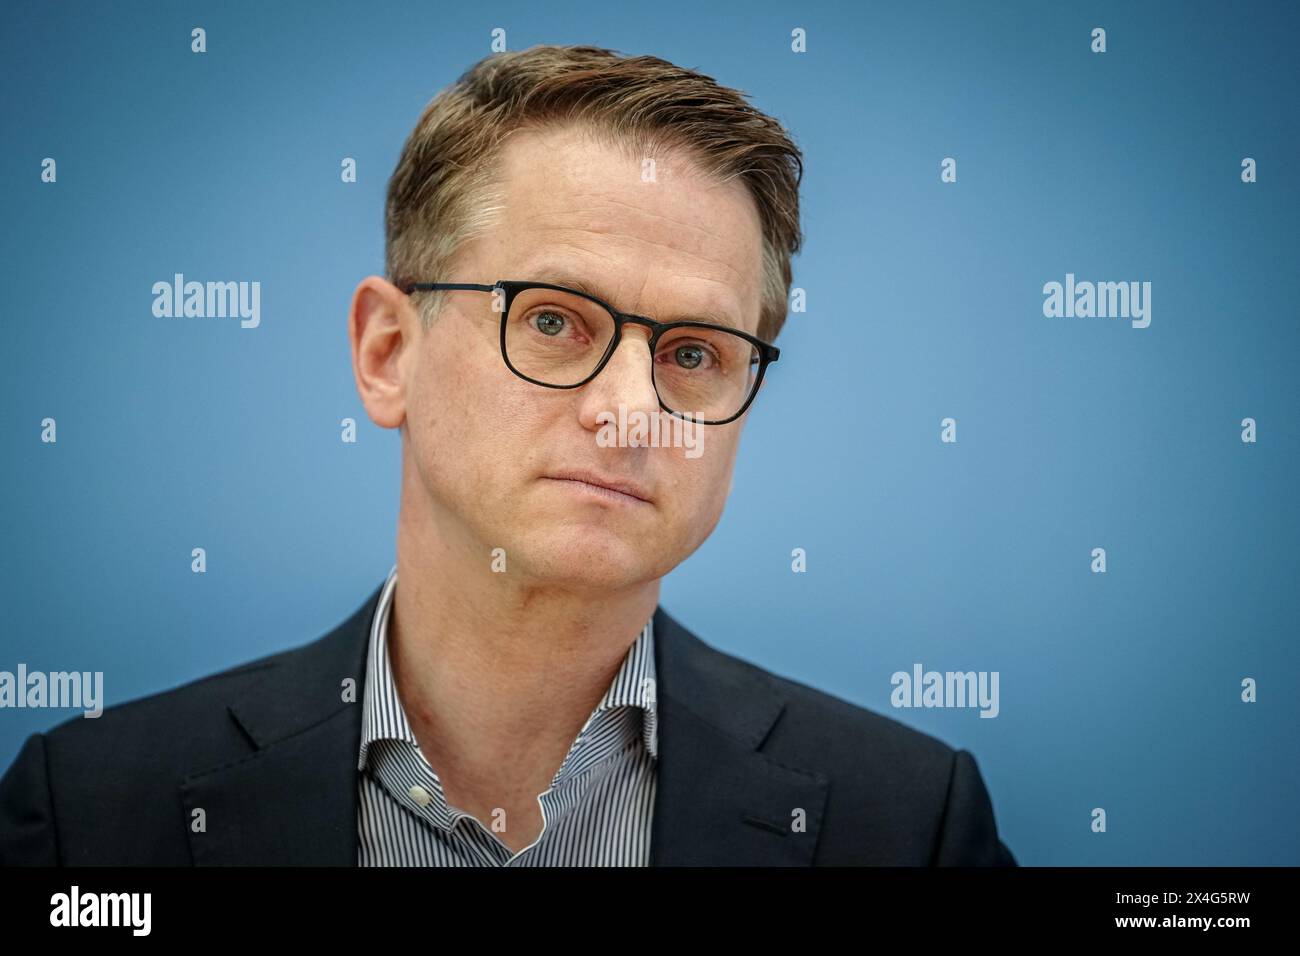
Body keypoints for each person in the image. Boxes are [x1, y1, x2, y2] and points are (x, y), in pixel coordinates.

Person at [0, 44, 1015, 866]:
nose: (630, 411)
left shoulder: (906, 822)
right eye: (555, 322)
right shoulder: (90, 810)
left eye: (694, 352)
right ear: (387, 353)